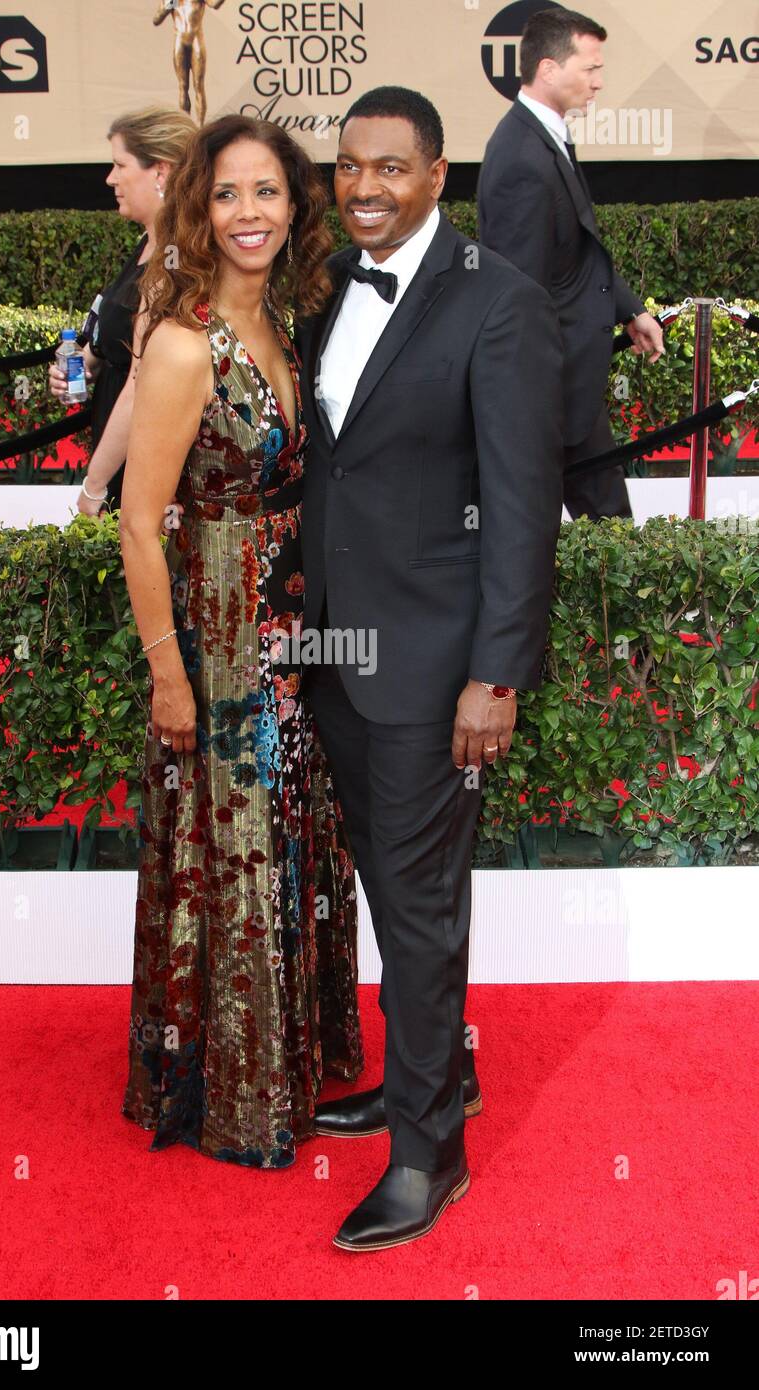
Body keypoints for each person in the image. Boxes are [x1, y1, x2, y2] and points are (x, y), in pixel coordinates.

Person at [294, 86, 564, 1251]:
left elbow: (520, 507)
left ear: (437, 174)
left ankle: (427, 1155)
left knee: (416, 909)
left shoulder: (496, 303)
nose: (363, 187)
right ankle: (431, 1084)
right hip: (340, 658)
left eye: (390, 168)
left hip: (436, 671)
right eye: (348, 167)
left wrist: (493, 677)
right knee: (394, 897)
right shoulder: (323, 293)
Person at [118, 115, 363, 1167]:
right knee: (234, 837)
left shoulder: (292, 325)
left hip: (292, 624)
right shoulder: (181, 344)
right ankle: (233, 1086)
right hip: (218, 632)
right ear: (198, 210)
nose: (248, 214)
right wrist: (170, 674)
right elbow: (140, 522)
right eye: (226, 195)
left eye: (266, 192)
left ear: (295, 205)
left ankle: (287, 1056)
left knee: (291, 831)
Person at [476, 8, 664, 523]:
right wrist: (541, 398)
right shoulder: (520, 156)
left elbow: (576, 248)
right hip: (549, 394)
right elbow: (519, 292)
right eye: (591, 69)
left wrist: (630, 310)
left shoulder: (542, 137)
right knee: (604, 531)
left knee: (607, 527)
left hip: (566, 386)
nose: (600, 82)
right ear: (549, 69)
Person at [48, 106, 196, 515]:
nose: (110, 178)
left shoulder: (173, 260)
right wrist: (86, 363)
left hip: (147, 471)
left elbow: (142, 384)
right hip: (126, 458)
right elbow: (121, 339)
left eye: (119, 164)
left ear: (161, 172)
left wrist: (93, 488)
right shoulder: (149, 245)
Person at [153, 0, 227, 126]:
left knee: (198, 86)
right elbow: (156, 20)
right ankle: (185, 127)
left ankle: (200, 127)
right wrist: (167, 5)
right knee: (183, 87)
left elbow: (215, 4)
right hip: (180, 42)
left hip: (196, 41)